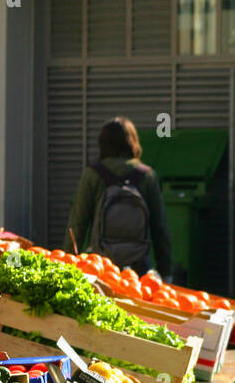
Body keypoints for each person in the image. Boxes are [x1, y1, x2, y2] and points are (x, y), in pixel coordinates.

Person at [65, 117, 172, 276]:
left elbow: (77, 223)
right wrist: (165, 271)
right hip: (138, 268)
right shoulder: (147, 175)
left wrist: (67, 264)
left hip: (100, 266)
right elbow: (160, 228)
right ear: (132, 141)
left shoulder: (92, 174)